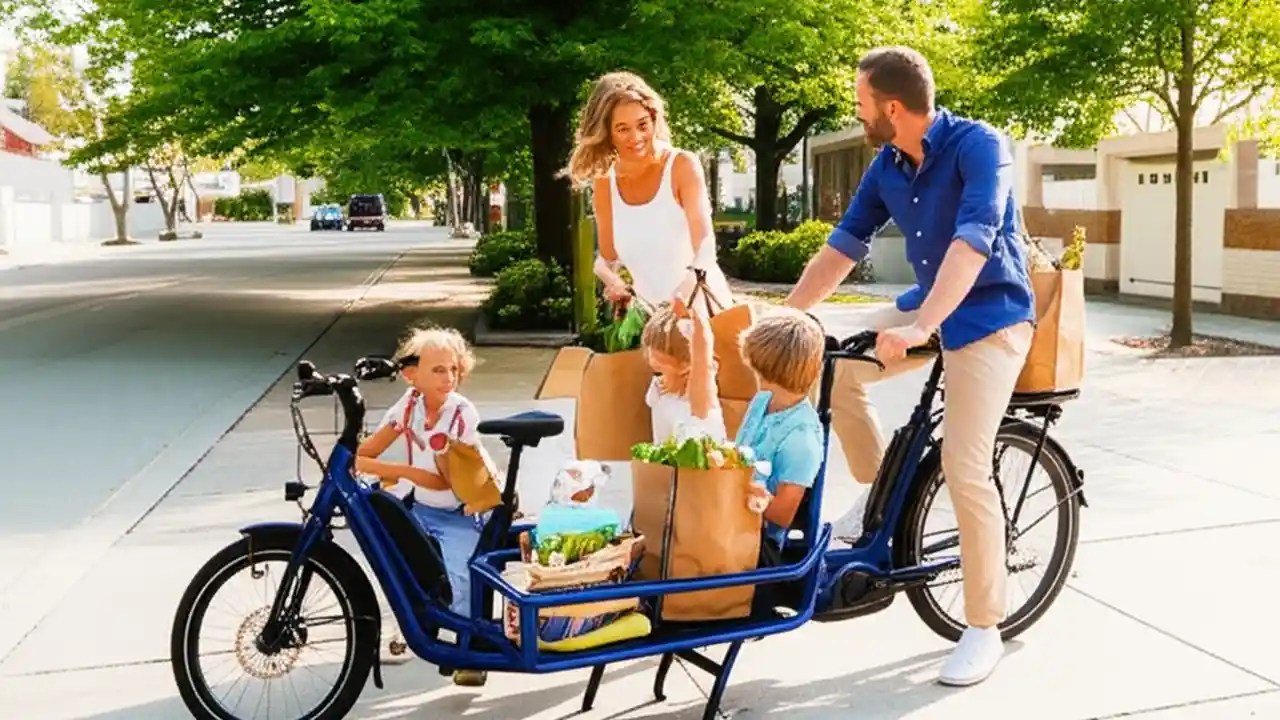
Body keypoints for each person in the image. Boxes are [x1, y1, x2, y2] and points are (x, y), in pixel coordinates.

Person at [786, 46, 1035, 687]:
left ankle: (984, 626)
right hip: (928, 310)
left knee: (963, 464)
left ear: (891, 107)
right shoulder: (888, 163)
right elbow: (845, 243)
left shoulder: (980, 146)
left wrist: (923, 329)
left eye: (861, 102)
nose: (857, 111)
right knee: (837, 372)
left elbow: (975, 238)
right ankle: (880, 497)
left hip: (991, 320)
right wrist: (784, 321)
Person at [354, 324, 495, 687]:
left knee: (462, 574)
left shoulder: (460, 414)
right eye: (438, 370)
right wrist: (356, 458)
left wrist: (391, 470)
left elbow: (442, 481)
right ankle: (416, 626)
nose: (449, 378)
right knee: (398, 562)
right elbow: (367, 451)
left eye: (454, 369)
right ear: (411, 375)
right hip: (422, 508)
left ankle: (470, 653)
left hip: (459, 512)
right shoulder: (410, 405)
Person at [563, 71, 734, 311]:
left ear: (654, 119)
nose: (636, 137)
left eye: (642, 124)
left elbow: (705, 246)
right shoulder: (605, 182)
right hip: (650, 321)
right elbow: (608, 259)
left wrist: (681, 296)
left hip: (702, 312)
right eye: (623, 129)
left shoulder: (681, 165)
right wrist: (612, 281)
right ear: (607, 133)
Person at [639, 302, 727, 443]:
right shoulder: (659, 386)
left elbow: (702, 355)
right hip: (666, 462)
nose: (652, 360)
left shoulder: (699, 395)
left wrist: (695, 319)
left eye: (662, 361)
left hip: (700, 462)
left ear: (687, 365)